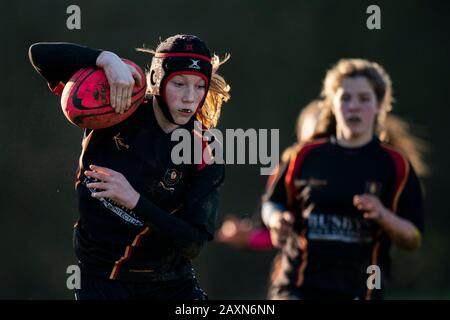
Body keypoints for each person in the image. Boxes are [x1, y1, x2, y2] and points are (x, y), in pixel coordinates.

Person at [28, 34, 231, 300]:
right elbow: (39, 54)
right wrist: (105, 59)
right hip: (101, 281)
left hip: (170, 285)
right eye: (179, 84)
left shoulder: (205, 149)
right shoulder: (115, 105)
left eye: (199, 86)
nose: (189, 98)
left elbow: (193, 243)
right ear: (157, 81)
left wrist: (134, 200)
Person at [262, 58, 425, 300]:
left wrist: (383, 215)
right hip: (297, 289)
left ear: (380, 105)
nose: (354, 107)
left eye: (364, 99)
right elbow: (271, 203)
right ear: (332, 104)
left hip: (359, 291)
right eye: (345, 98)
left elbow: (413, 237)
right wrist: (276, 219)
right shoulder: (305, 155)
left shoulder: (395, 164)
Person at [216, 100, 322, 250]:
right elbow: (267, 230)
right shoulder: (288, 171)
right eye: (313, 139)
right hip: (299, 264)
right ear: (300, 137)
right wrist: (248, 234)